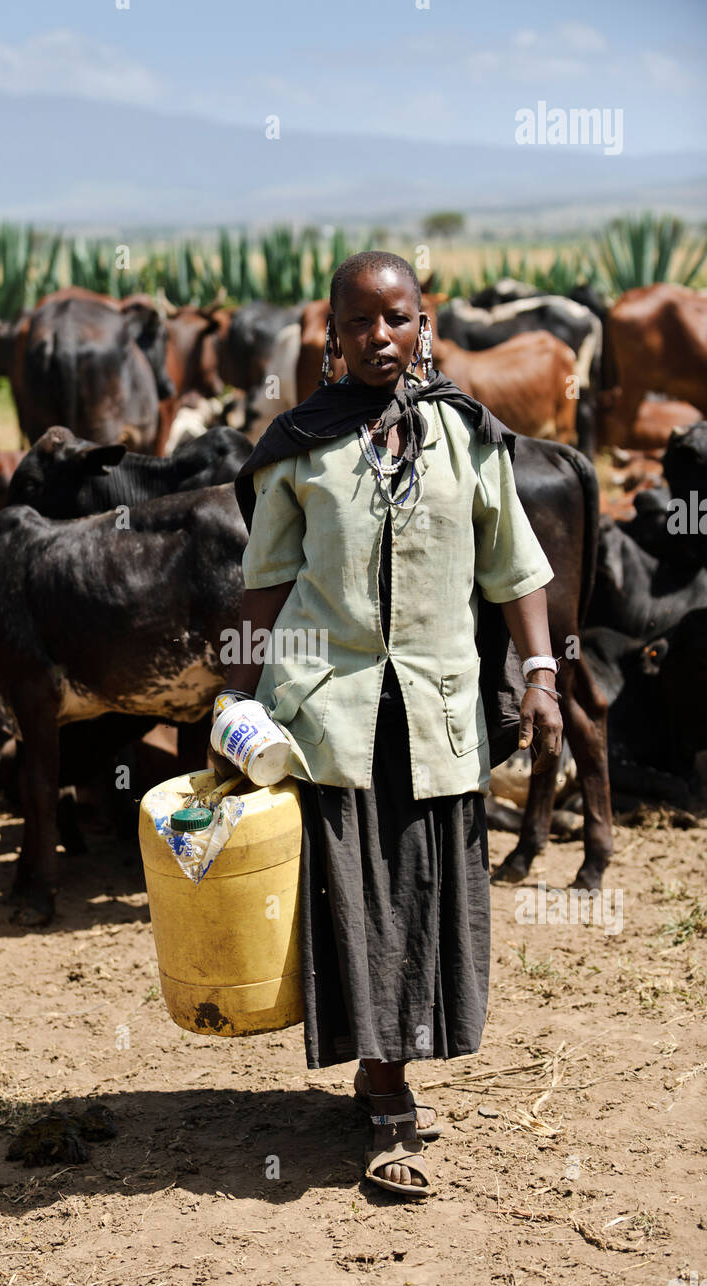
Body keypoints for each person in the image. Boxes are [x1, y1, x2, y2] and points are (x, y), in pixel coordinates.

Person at [216, 251, 562, 1198]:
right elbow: (265, 587)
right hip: (330, 714)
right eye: (359, 322)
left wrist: (539, 675)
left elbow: (515, 568)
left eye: (397, 319)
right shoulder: (299, 448)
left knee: (423, 894)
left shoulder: (468, 438)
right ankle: (385, 1098)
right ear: (332, 332)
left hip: (439, 711)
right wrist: (232, 702)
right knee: (359, 902)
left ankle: (394, 1068)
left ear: (424, 324)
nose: (379, 338)